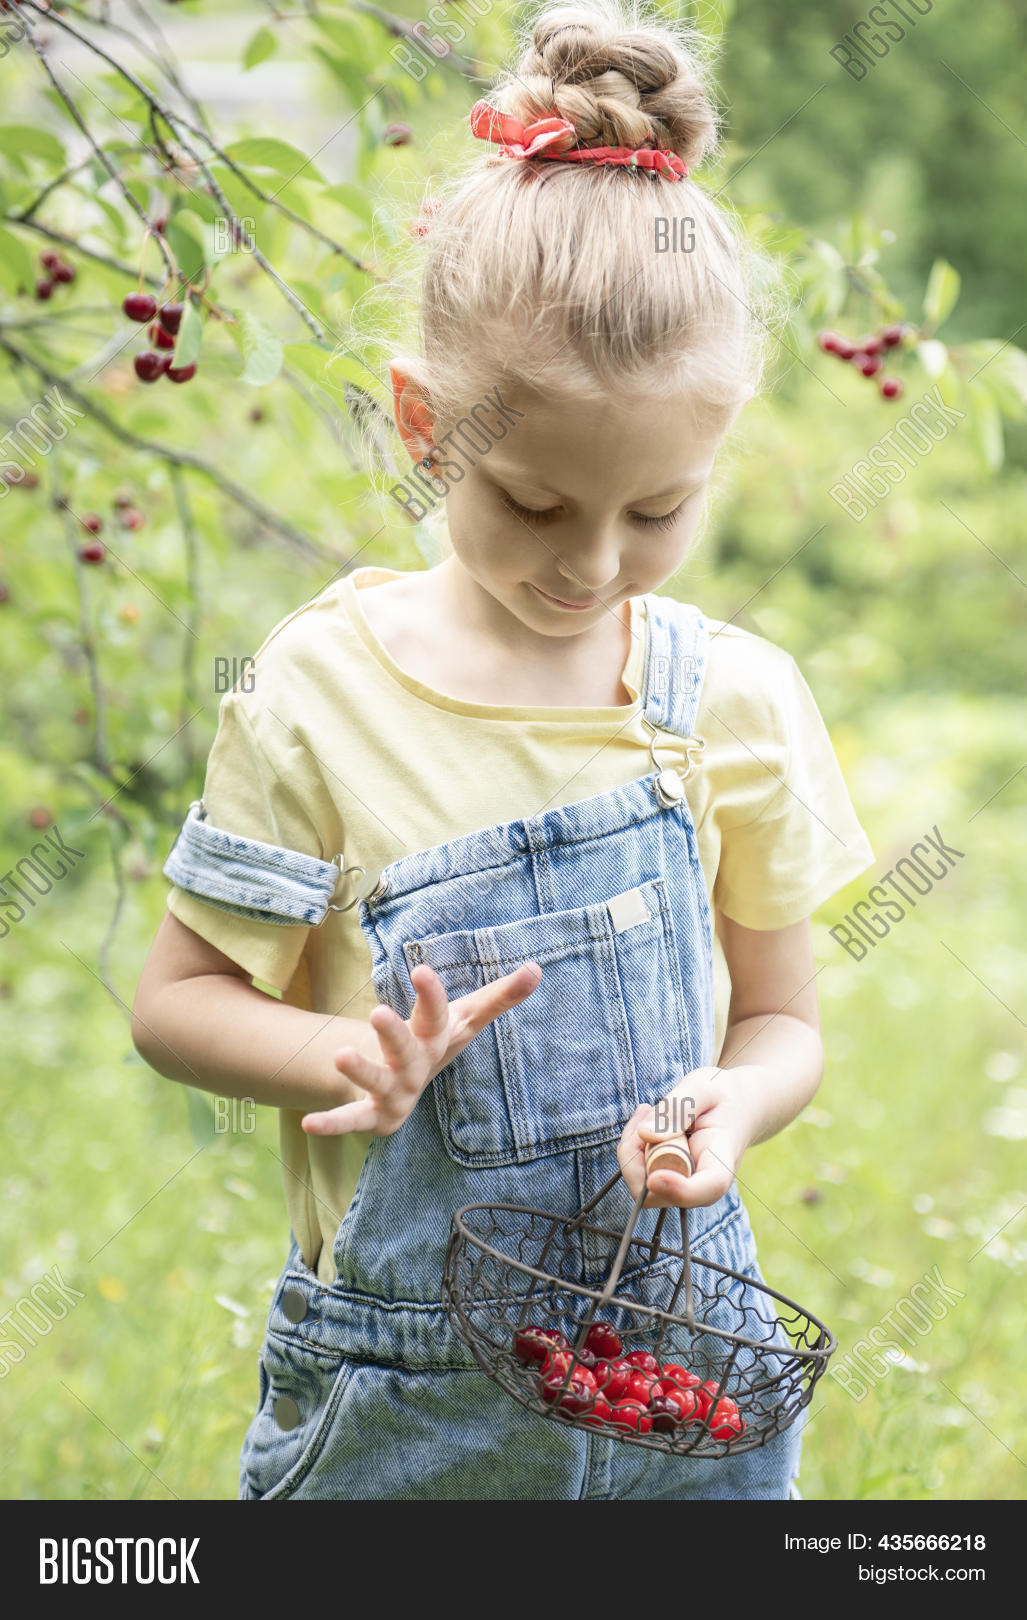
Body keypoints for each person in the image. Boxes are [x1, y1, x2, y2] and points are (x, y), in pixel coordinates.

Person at [131, 0, 875, 1500]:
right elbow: (177, 1005)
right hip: (410, 1412)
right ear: (423, 428)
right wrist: (341, 1050)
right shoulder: (318, 692)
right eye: (535, 505)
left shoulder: (731, 698)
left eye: (658, 512)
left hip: (681, 1385)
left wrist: (736, 1101)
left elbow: (782, 1022)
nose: (593, 563)